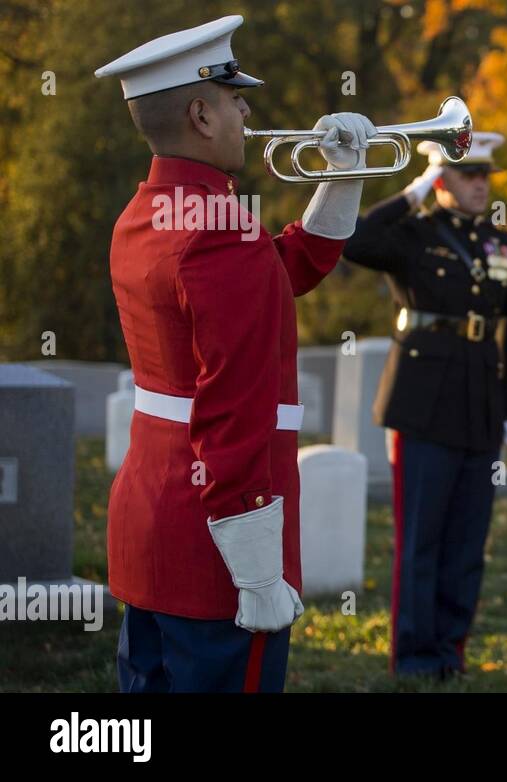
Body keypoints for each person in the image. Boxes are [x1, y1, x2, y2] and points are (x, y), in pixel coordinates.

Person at [95, 15, 377, 692]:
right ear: (200, 113)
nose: (247, 110)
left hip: (155, 524)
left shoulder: (150, 212)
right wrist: (257, 570)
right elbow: (235, 411)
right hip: (219, 546)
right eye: (233, 98)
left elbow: (271, 280)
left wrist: (341, 180)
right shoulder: (222, 234)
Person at [341, 132, 507, 678]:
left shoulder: (500, 244)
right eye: (468, 174)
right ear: (441, 178)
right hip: (422, 403)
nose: (480, 184)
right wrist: (411, 192)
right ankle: (416, 658)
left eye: (485, 175)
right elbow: (355, 238)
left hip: (480, 404)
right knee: (422, 538)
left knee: (467, 541)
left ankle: (451, 651)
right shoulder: (410, 234)